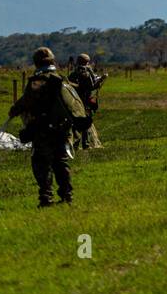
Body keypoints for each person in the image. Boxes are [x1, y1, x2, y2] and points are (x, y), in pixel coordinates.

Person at [8, 47, 88, 208]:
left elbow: (26, 101)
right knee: (61, 162)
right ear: (52, 60)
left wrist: (14, 110)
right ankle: (67, 195)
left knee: (41, 163)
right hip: (62, 129)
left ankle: (46, 198)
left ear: (37, 62)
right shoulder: (61, 79)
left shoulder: (38, 81)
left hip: (43, 131)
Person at [68, 53, 106, 149]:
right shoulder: (87, 72)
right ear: (87, 62)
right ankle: (86, 144)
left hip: (75, 100)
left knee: (76, 123)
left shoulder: (75, 72)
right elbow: (92, 86)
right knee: (86, 123)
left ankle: (75, 144)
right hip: (86, 100)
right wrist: (102, 79)